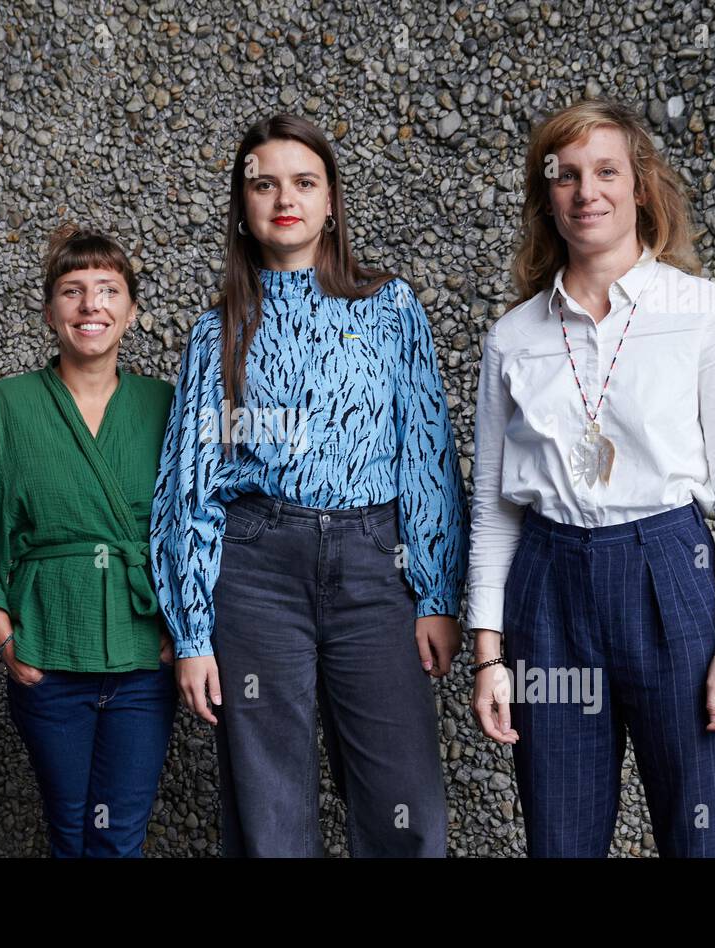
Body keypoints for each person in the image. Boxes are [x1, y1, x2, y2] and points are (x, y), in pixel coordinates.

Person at [151, 114, 469, 857]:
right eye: (263, 184)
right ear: (242, 206)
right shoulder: (218, 330)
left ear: (331, 203)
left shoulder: (390, 308)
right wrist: (192, 630)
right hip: (257, 571)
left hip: (374, 563)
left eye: (303, 182)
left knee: (407, 806)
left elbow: (425, 449)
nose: (283, 198)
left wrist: (436, 591)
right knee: (268, 814)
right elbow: (189, 484)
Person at [468, 98, 715, 857]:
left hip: (668, 572)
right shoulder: (513, 339)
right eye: (565, 175)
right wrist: (488, 654)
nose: (586, 192)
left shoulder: (705, 314)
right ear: (547, 195)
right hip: (549, 590)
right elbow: (494, 509)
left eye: (606, 171)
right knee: (561, 833)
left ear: (640, 186)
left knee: (708, 834)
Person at [0, 223, 177, 858]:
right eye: (72, 291)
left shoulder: (168, 405)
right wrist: (4, 638)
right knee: (69, 833)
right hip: (47, 652)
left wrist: (183, 631)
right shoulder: (3, 407)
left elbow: (194, 527)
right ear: (49, 311)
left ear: (130, 309)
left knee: (119, 835)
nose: (90, 305)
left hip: (143, 658)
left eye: (107, 289)